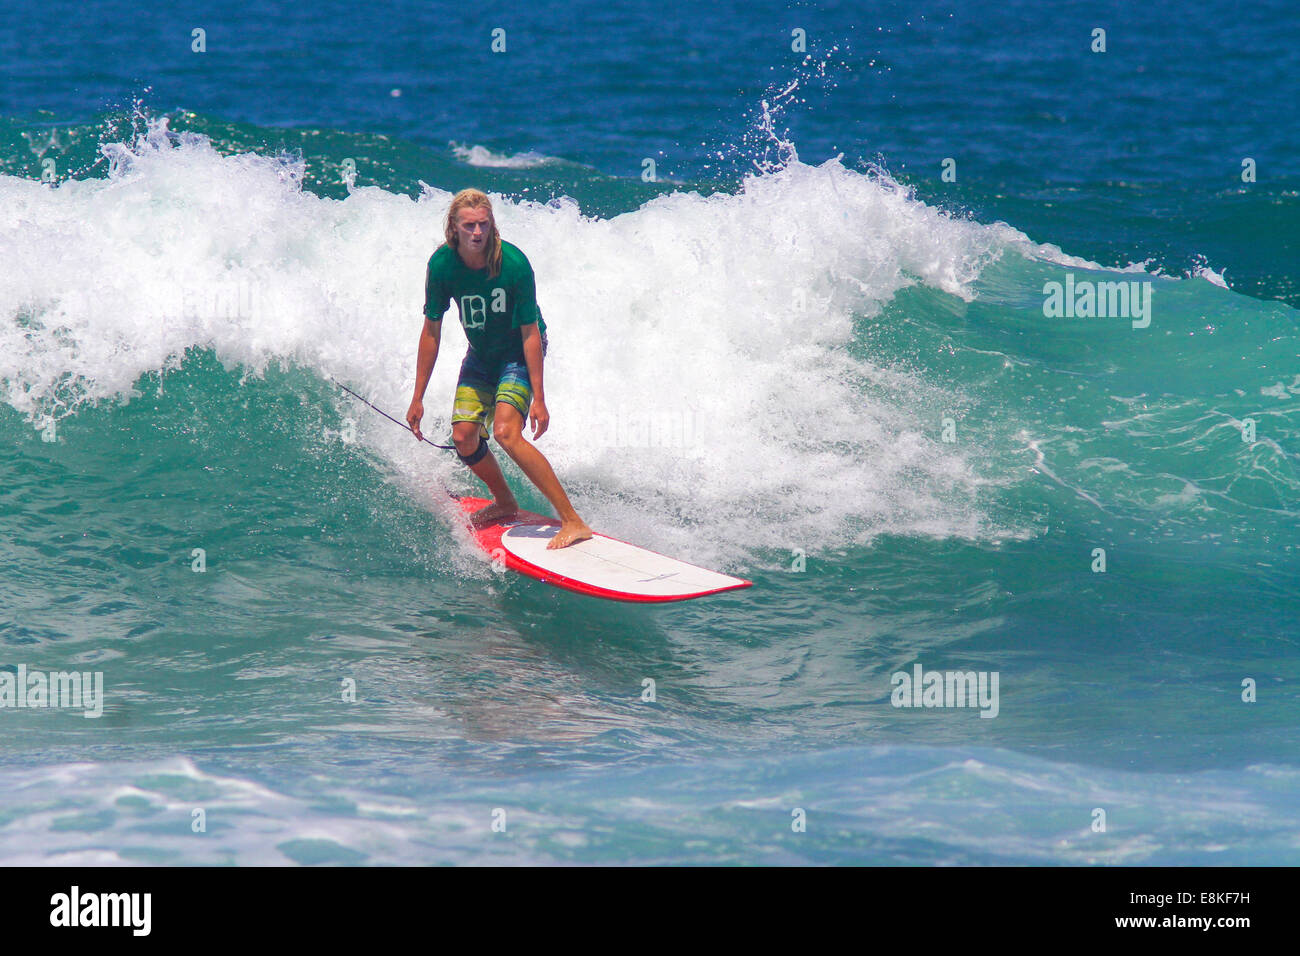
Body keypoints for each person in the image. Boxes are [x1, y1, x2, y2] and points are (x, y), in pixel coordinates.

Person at [406, 188, 593, 550]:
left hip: (519, 353)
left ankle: (573, 521)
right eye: (469, 226)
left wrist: (539, 397)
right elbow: (431, 331)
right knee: (463, 437)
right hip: (481, 353)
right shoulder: (442, 266)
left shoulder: (514, 264)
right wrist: (418, 397)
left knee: (507, 431)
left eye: (484, 225)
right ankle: (505, 502)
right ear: (454, 228)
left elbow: (530, 332)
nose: (477, 232)